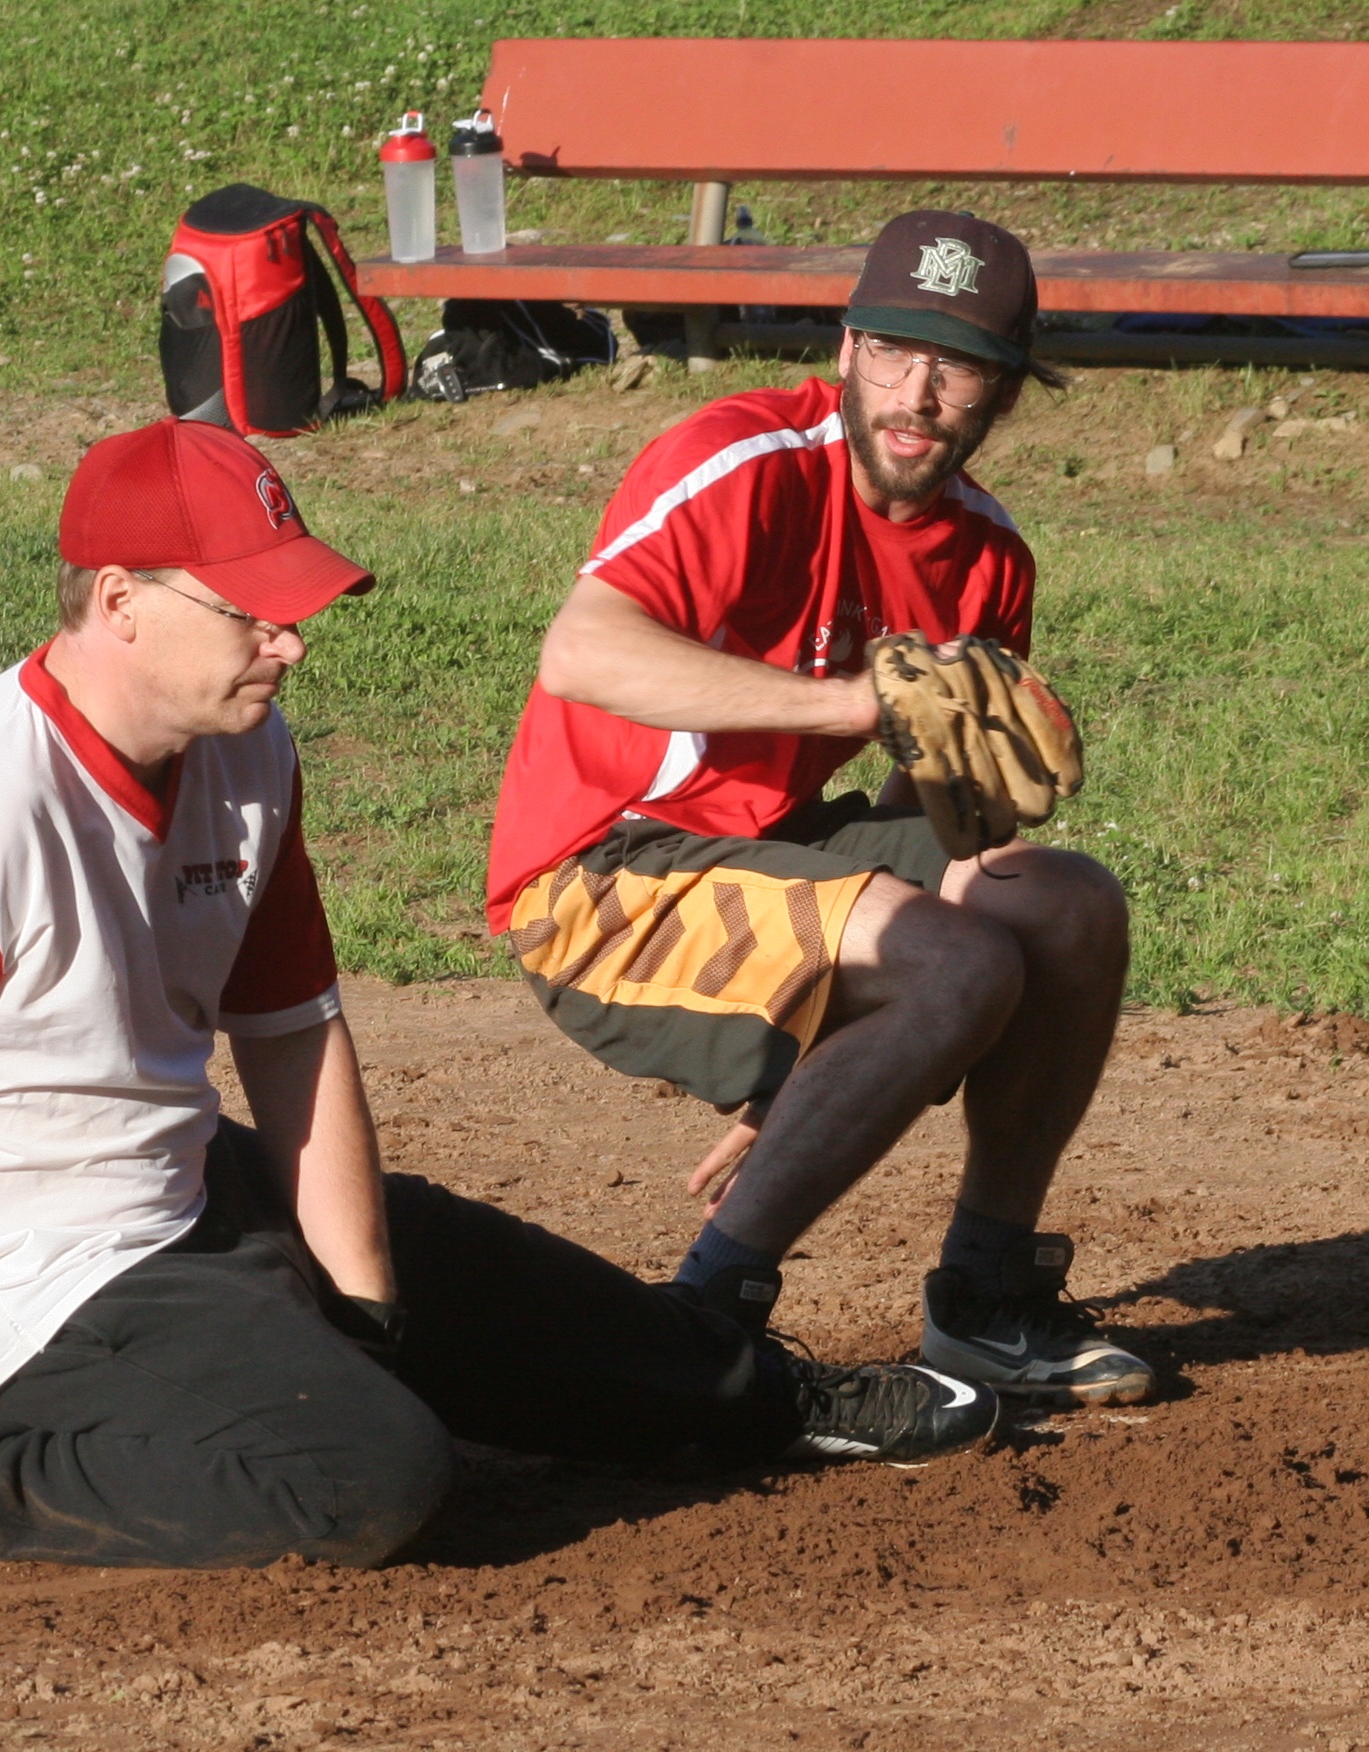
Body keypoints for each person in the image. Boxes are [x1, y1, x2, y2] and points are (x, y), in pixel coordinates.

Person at [0, 417, 999, 1576]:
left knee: (519, 1302)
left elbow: (293, 1041)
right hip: (32, 1284)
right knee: (371, 1476)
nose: (291, 642)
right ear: (122, 602)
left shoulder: (243, 760)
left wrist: (370, 1305)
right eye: (250, 611)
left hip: (191, 1193)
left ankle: (770, 1403)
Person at [488, 210, 1151, 1409]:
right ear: (844, 349)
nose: (917, 394)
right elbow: (580, 652)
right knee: (948, 964)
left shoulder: (987, 555)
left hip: (768, 859)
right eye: (893, 353)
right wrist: (849, 707)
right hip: (599, 872)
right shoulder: (740, 459)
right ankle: (706, 1315)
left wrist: (831, 1054)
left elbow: (936, 810)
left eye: (956, 367)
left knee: (1062, 907)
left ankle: (987, 1297)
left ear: (1002, 390)